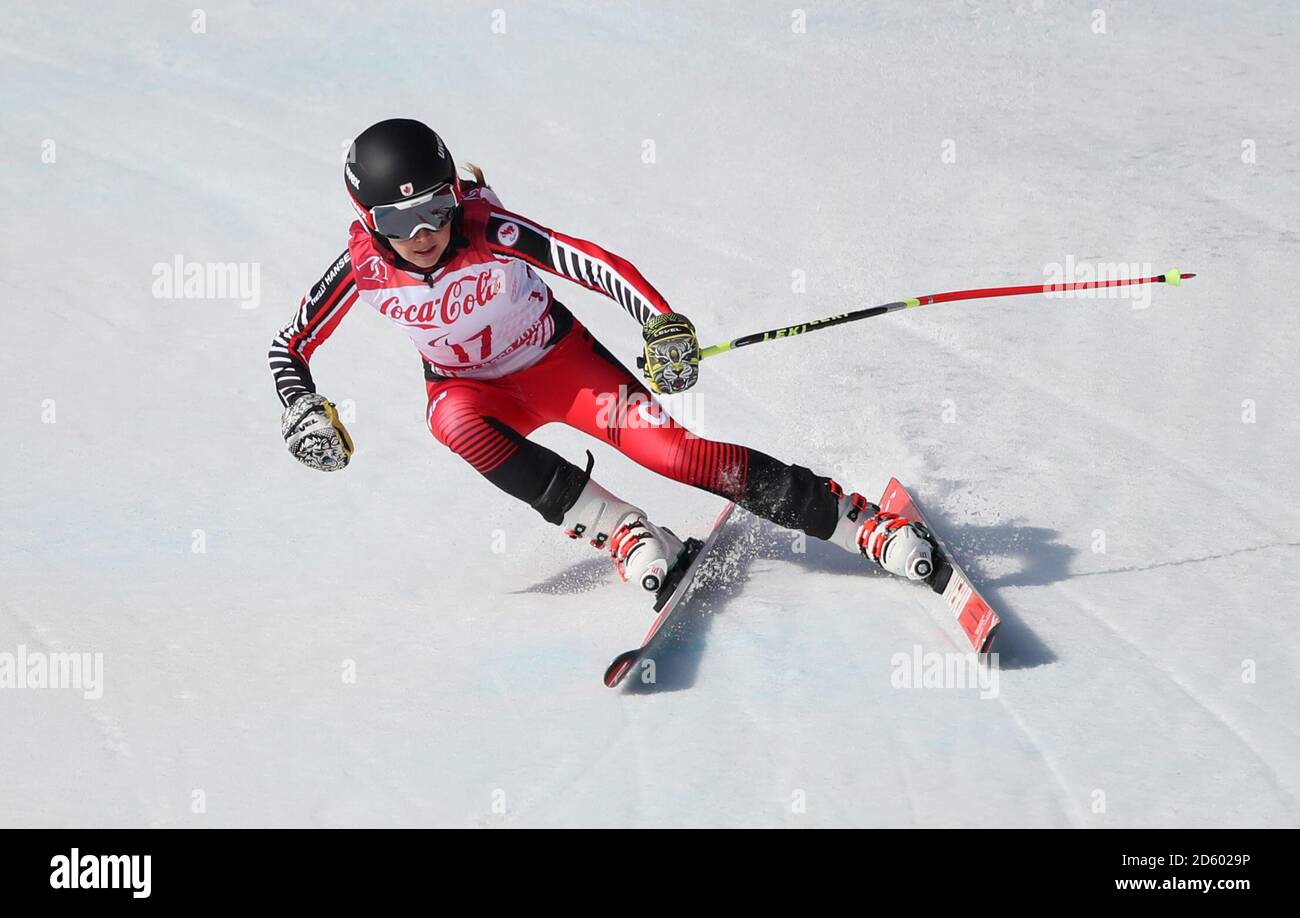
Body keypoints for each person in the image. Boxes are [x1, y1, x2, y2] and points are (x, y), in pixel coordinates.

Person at [269, 118, 933, 599]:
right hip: (475, 395)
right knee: (448, 419)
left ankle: (856, 523)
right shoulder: (359, 270)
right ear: (366, 220)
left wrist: (659, 323)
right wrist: (302, 406)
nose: (423, 235)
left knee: (678, 457)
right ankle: (624, 532)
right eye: (397, 222)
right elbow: (288, 344)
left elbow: (588, 262)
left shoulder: (486, 229)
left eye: (436, 208)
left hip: (561, 367)